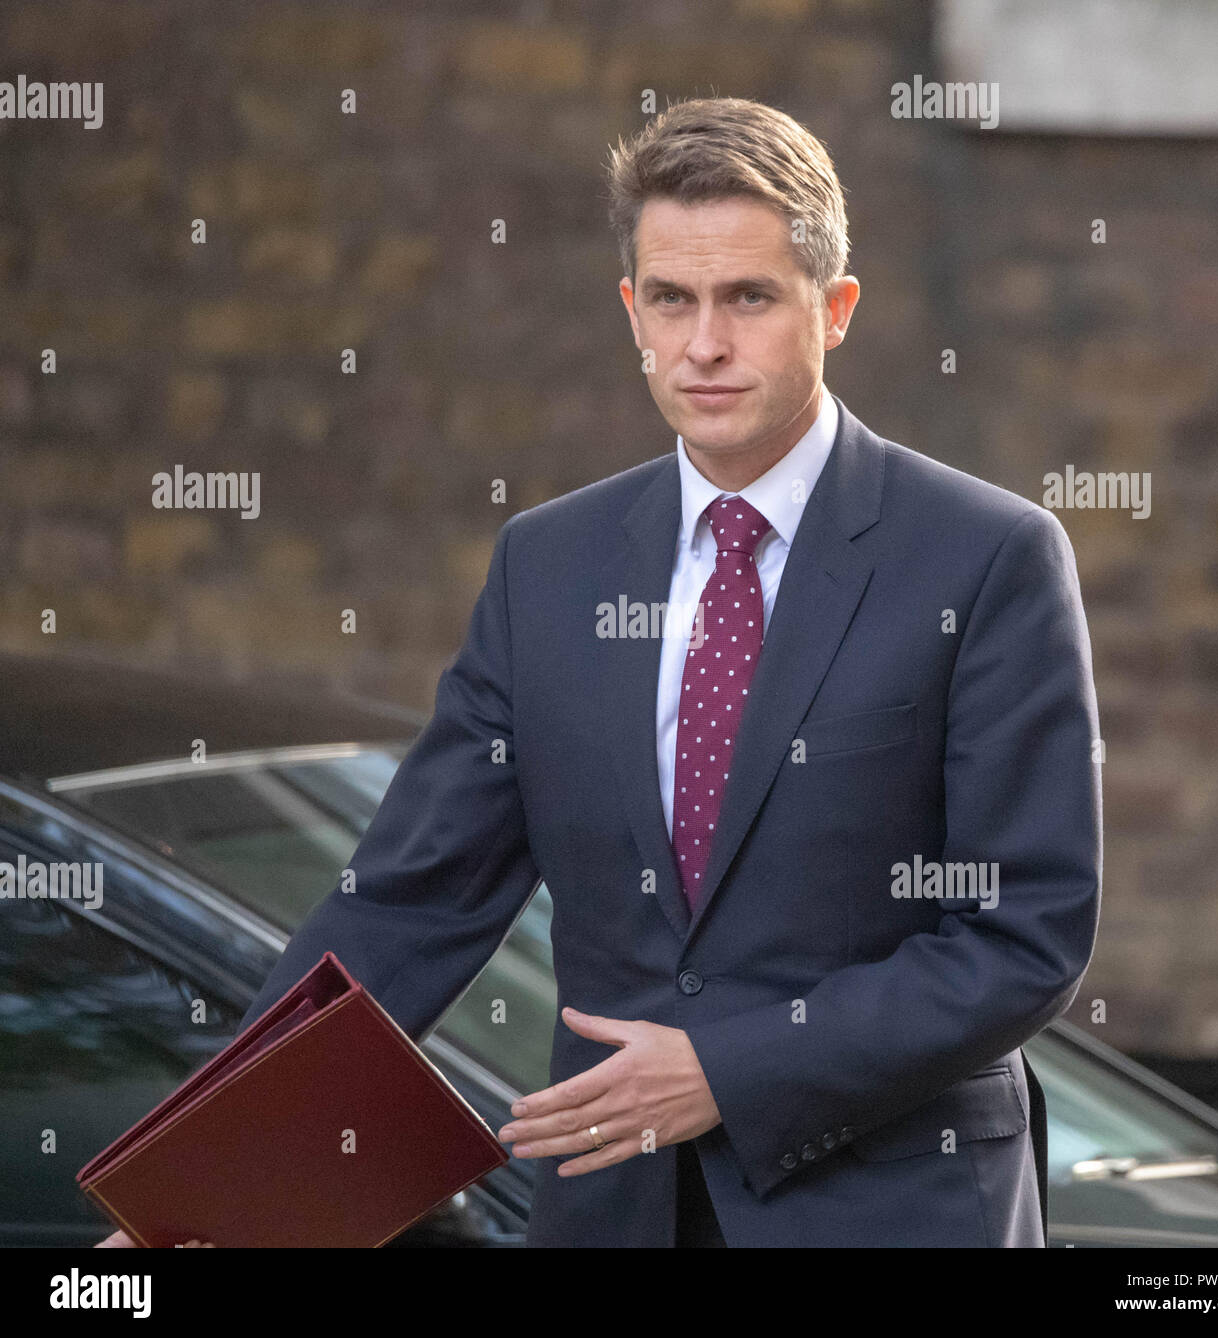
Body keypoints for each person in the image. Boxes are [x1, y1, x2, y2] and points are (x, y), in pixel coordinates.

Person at [99, 95, 1100, 1248]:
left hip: (891, 1211)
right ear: (632, 309)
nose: (704, 344)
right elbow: (409, 904)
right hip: (611, 1213)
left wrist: (727, 1070)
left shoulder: (986, 557)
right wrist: (202, 1183)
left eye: (749, 299)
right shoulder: (549, 565)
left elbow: (1020, 935)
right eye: (671, 299)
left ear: (835, 311)